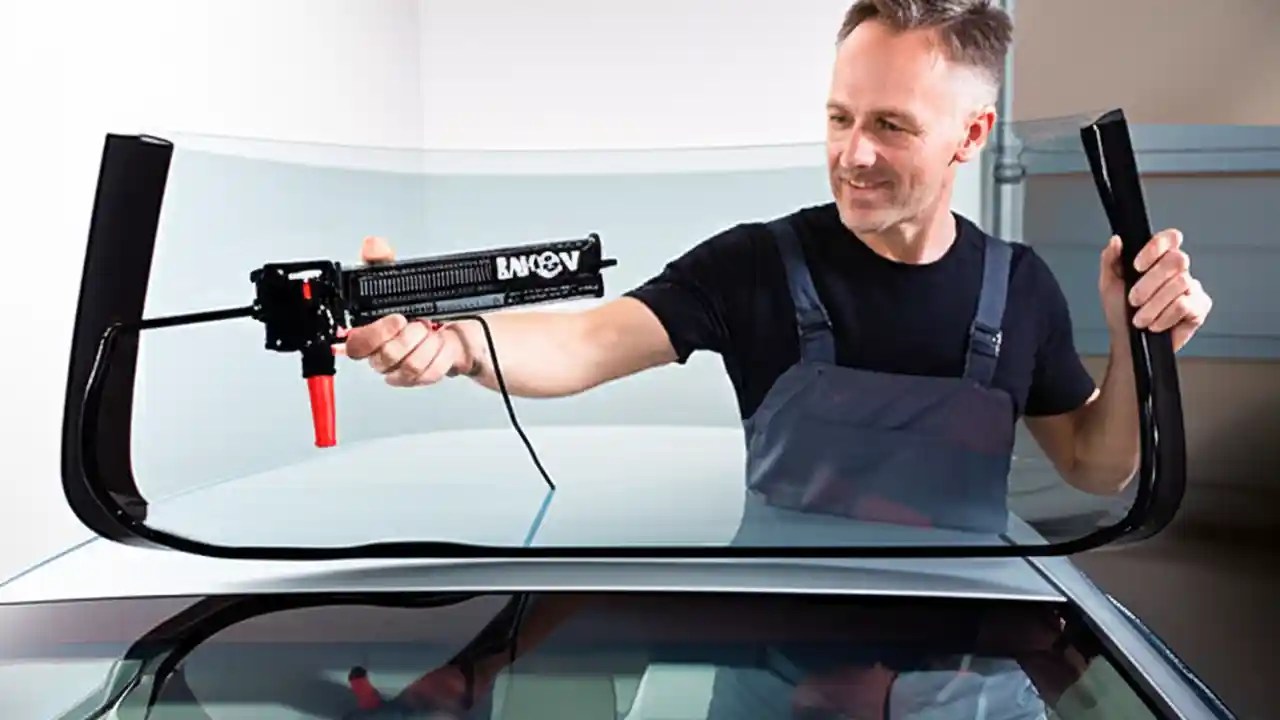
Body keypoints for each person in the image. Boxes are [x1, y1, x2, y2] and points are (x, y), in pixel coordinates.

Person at [337, 0, 1213, 715]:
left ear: (971, 133)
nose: (853, 154)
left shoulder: (1018, 289)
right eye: (839, 117)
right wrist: (455, 344)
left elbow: (1096, 465)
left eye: (891, 127)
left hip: (969, 688)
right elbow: (588, 341)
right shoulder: (758, 265)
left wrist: (1143, 348)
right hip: (771, 683)